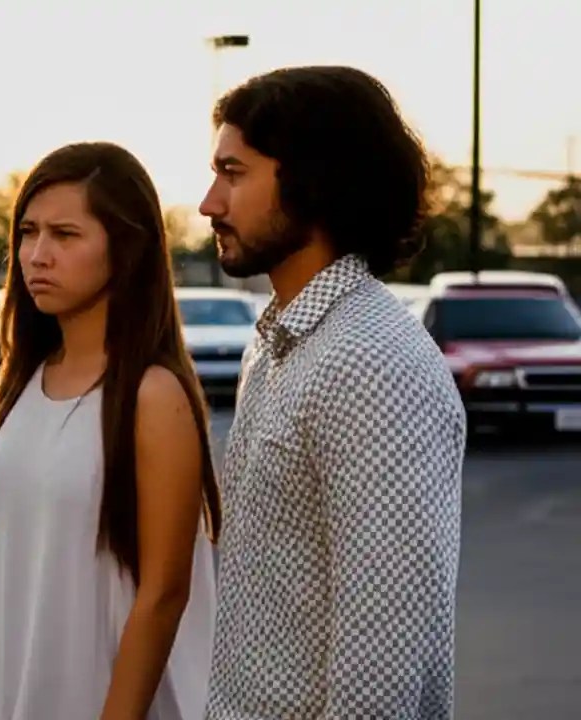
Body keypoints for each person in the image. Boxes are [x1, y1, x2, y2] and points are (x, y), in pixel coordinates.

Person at [198, 65, 466, 719]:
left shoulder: (371, 363)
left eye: (234, 174)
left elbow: (382, 658)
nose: (208, 202)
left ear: (314, 182)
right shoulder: (281, 340)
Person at [0, 142, 220, 720]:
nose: (37, 255)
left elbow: (164, 596)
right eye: (28, 232)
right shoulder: (21, 380)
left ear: (128, 249)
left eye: (65, 235)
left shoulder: (152, 395)